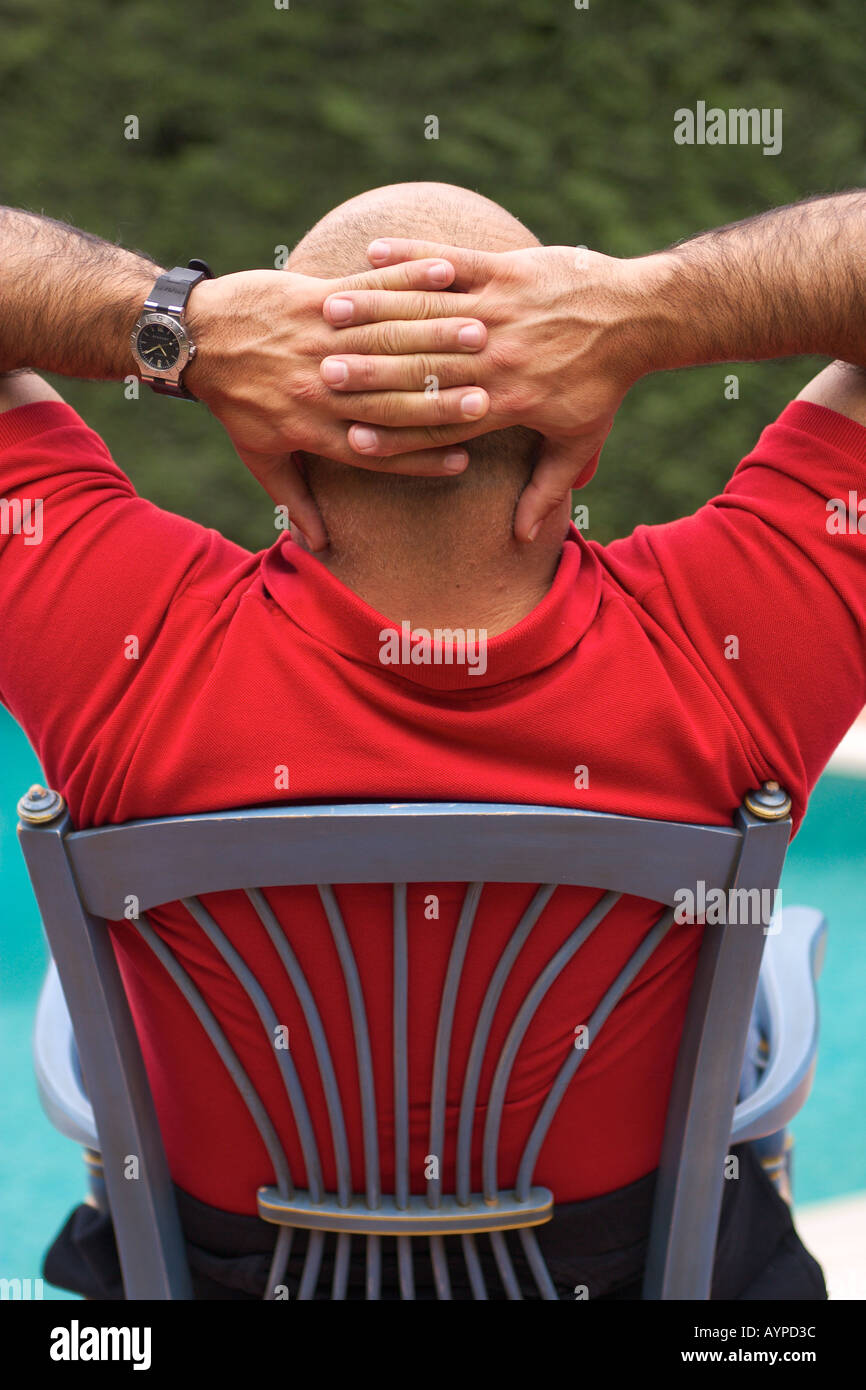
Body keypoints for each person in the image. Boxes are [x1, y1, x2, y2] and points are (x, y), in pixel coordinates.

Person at [3, 181, 864, 1299]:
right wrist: (645, 310)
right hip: (635, 1270)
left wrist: (183, 327)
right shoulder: (732, 636)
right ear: (571, 430)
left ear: (280, 439)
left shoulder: (123, 645)